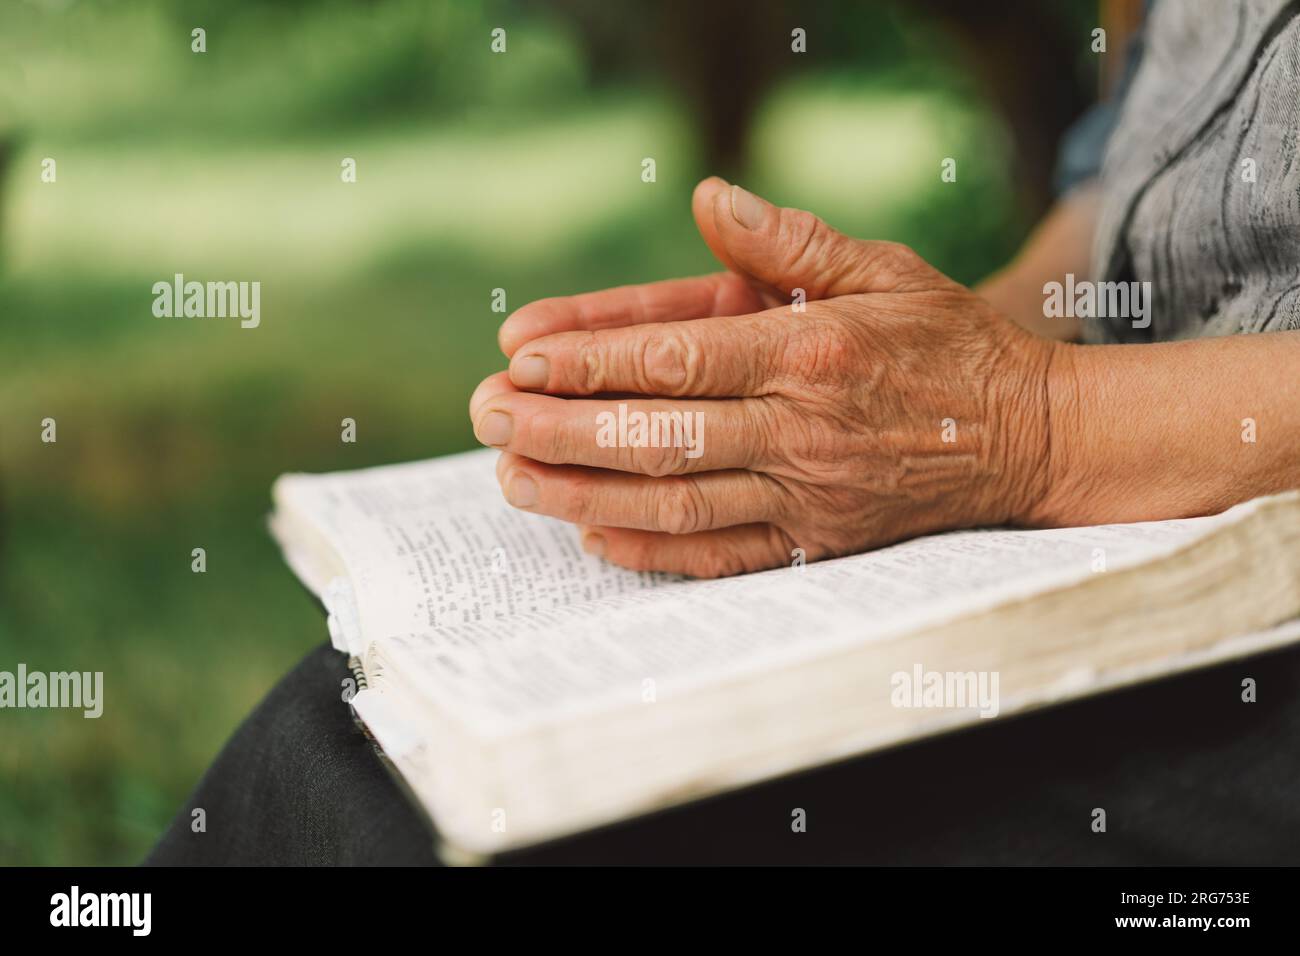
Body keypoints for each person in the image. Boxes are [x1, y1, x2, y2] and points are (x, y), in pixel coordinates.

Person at [149, 0, 1300, 865]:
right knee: (348, 743)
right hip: (1114, 519)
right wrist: (914, 360)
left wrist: (1035, 427)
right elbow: (1136, 172)